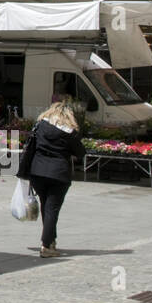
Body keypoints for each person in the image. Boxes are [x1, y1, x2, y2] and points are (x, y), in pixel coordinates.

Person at [26, 100, 87, 258]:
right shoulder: (69, 132)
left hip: (38, 172)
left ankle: (50, 240)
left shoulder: (40, 126)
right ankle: (46, 245)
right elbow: (80, 152)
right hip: (58, 173)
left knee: (46, 206)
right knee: (52, 209)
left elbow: (31, 146)